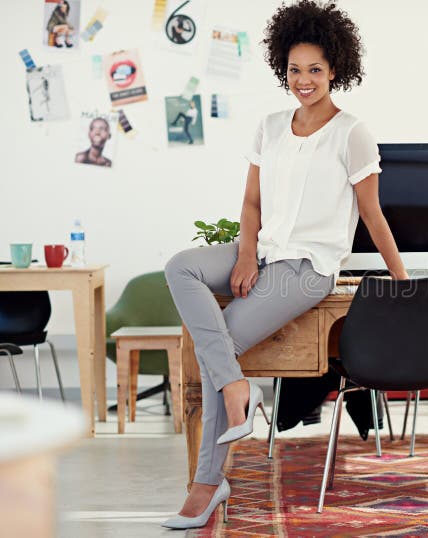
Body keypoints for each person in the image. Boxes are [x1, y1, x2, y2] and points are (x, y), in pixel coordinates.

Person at [162, 1, 408, 530]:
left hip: (308, 267)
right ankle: (236, 391)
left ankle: (207, 484)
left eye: (315, 69)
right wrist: (246, 252)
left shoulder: (352, 133)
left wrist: (402, 280)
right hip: (265, 249)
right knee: (181, 266)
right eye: (294, 69)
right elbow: (251, 204)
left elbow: (372, 213)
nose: (303, 80)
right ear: (283, 69)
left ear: (335, 69)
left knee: (218, 344)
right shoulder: (270, 127)